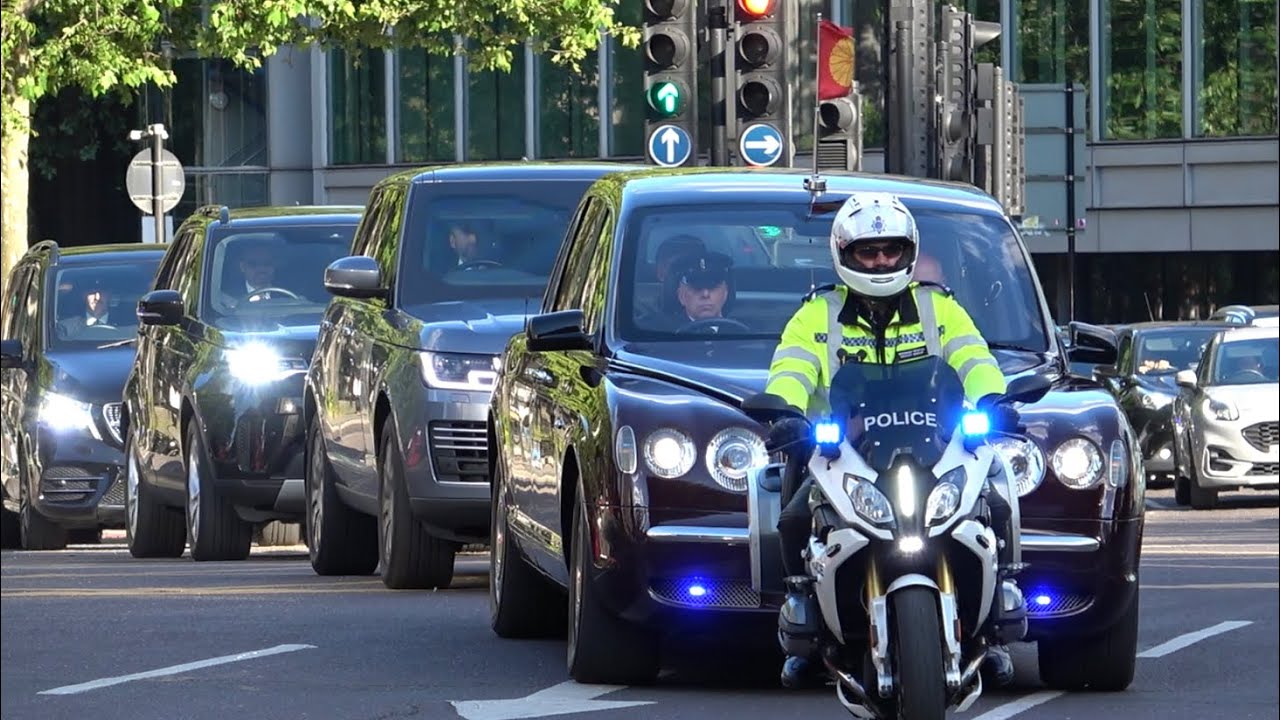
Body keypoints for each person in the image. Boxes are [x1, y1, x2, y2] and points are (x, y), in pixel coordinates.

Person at [762, 192, 1023, 689]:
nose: (881, 261)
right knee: (795, 515)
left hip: (936, 444)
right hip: (845, 450)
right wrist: (786, 412)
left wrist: (994, 400)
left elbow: (975, 360)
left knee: (997, 501)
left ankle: (992, 630)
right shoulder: (816, 315)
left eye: (891, 250)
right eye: (868, 251)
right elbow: (791, 368)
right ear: (844, 254)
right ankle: (805, 627)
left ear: (908, 251)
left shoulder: (938, 307)